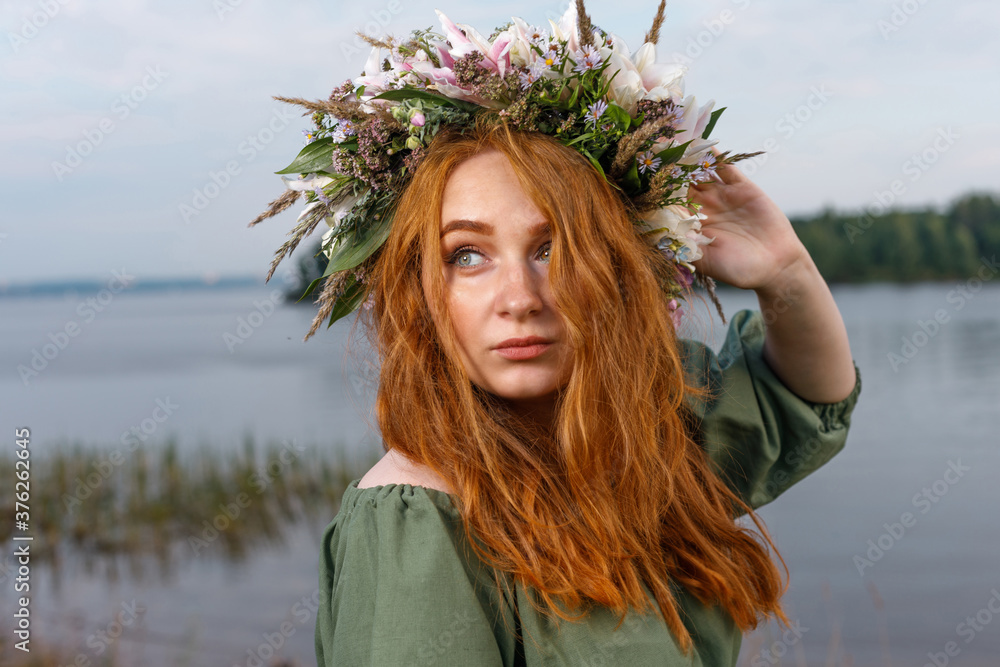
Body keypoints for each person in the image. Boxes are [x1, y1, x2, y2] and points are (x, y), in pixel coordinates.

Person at [247, 3, 862, 664]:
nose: (520, 298)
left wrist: (785, 271)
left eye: (552, 248)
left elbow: (806, 400)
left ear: (613, 269)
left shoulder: (647, 429)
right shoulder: (423, 517)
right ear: (420, 292)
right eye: (467, 255)